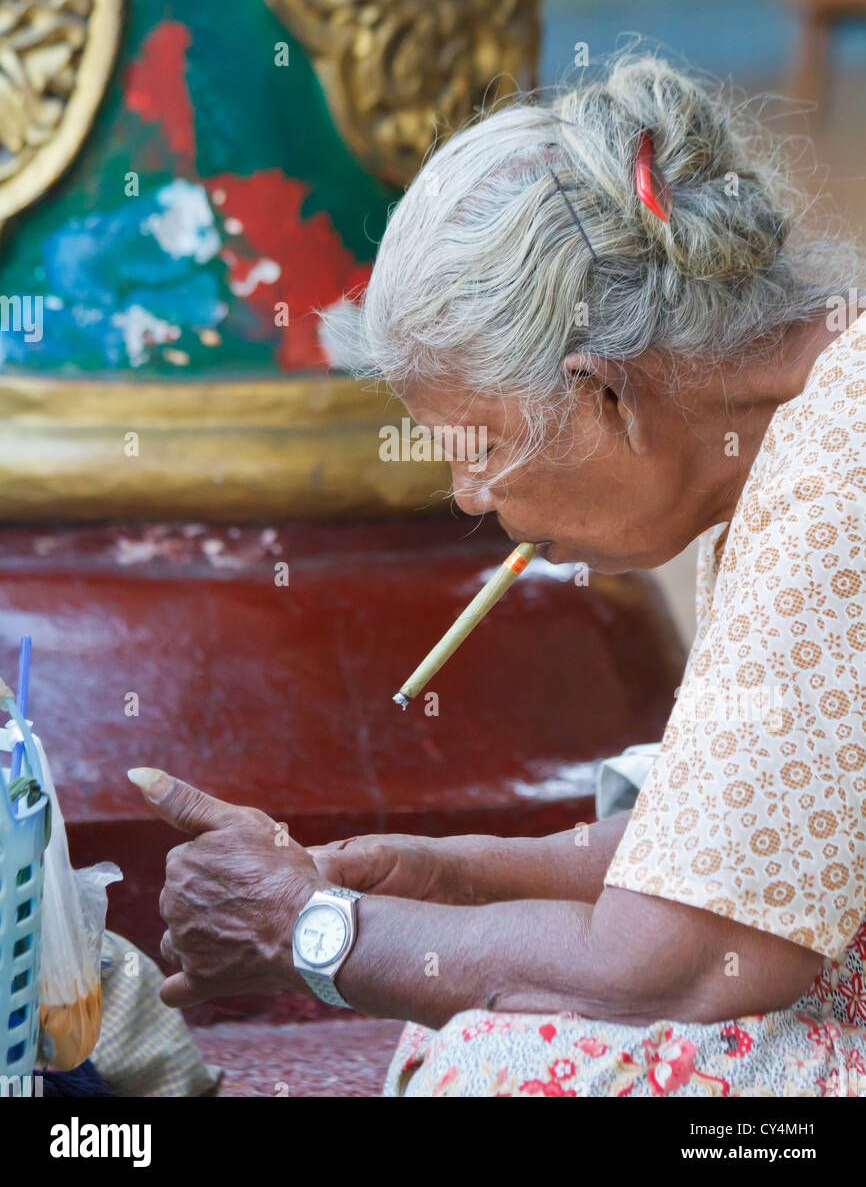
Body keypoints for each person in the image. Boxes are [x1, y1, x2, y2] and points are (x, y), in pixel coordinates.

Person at [130, 55, 866, 1096]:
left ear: (605, 392)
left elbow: (673, 964)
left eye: (479, 446)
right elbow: (722, 866)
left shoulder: (837, 482)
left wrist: (309, 929)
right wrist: (441, 875)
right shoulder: (797, 429)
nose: (469, 496)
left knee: (512, 1070)